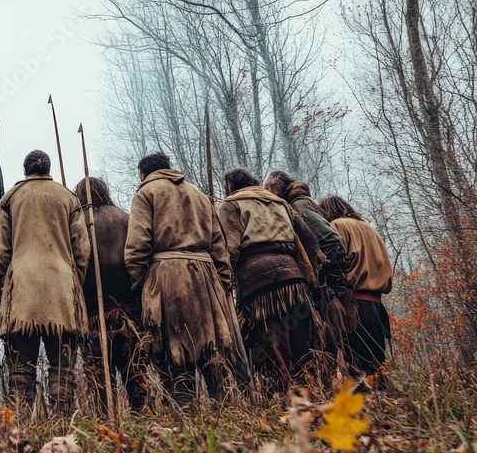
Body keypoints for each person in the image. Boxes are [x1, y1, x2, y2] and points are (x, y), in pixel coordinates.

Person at [124, 152, 245, 406]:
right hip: (206, 278)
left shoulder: (146, 192)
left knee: (173, 351)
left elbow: (137, 245)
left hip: (167, 277)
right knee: (211, 349)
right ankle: (223, 411)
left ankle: (184, 412)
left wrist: (140, 284)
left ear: (143, 174)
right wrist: (223, 283)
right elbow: (218, 245)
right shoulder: (198, 194)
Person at [0, 150, 89, 416]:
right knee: (62, 366)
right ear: (48, 169)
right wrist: (74, 281)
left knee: (21, 367)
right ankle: (62, 420)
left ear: (26, 170)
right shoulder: (68, 198)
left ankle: (20, 422)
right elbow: (82, 250)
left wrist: (6, 282)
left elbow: (0, 251)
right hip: (61, 290)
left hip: (22, 291)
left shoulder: (10, 198)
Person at [219, 168, 322, 391]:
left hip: (257, 284)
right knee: (299, 339)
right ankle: (310, 391)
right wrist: (312, 277)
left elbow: (229, 249)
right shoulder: (280, 202)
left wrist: (223, 281)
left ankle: (282, 394)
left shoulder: (231, 204)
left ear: (230, 186)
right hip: (294, 280)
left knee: (268, 343)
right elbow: (310, 242)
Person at [74, 176, 150, 414]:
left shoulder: (76, 224)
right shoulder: (126, 219)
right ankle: (142, 413)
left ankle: (104, 418)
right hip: (126, 310)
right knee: (134, 367)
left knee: (98, 372)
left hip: (92, 313)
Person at [265, 170, 357, 360]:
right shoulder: (298, 203)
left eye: (266, 188)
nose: (264, 193)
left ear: (276, 190)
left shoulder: (298, 205)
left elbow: (331, 240)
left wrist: (334, 286)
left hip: (325, 291)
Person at [319, 196, 394, 381]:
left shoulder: (336, 226)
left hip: (354, 304)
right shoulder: (369, 228)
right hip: (376, 305)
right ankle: (381, 397)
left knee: (358, 369)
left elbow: (334, 261)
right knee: (376, 366)